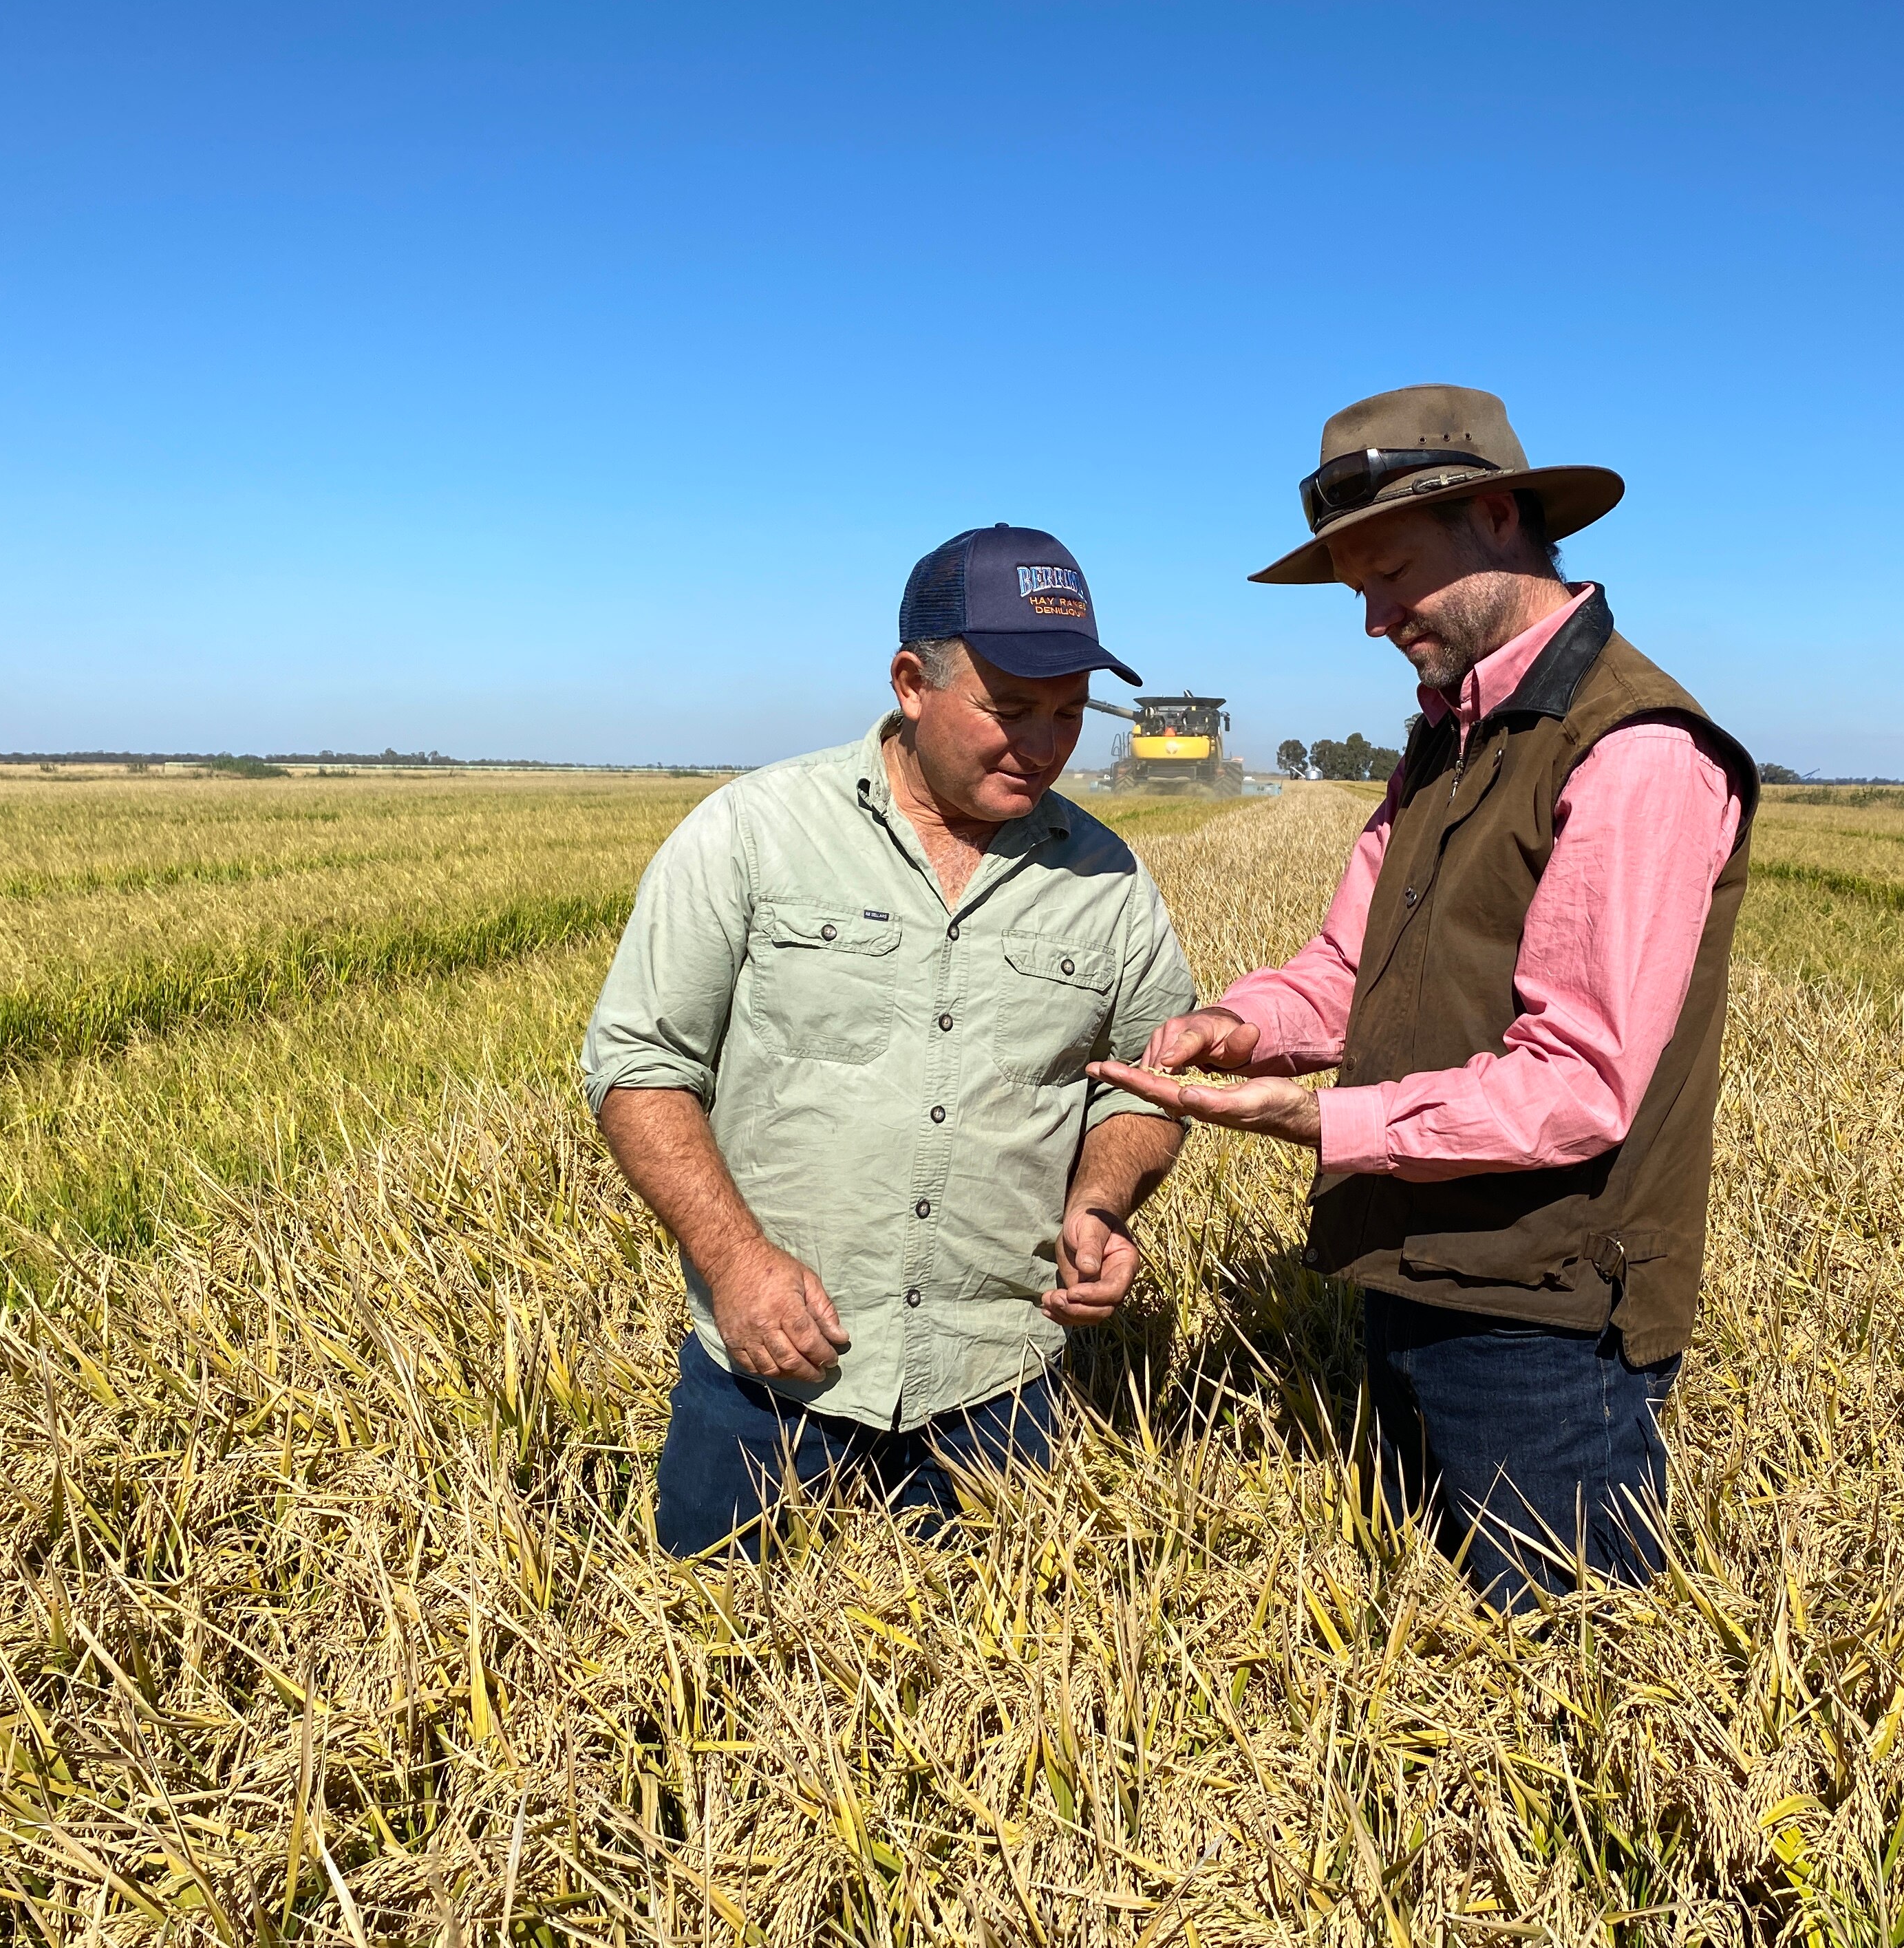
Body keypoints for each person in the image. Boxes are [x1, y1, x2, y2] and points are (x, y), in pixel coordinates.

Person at [1095, 386, 1758, 1608]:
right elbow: (1353, 971)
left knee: (1576, 1679)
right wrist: (1242, 1031)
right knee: (1431, 1647)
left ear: (1500, 519)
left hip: (1542, 1312)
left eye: (1391, 573)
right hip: (1413, 1265)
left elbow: (1579, 1085)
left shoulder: (1635, 749)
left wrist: (1320, 1122)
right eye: (1355, 587)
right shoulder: (1449, 737)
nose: (1371, 619)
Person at [586, 524, 1198, 1557]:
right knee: (713, 1660)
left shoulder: (1110, 882)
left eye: (1069, 713)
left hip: (999, 1394)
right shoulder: (753, 832)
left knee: (993, 1697)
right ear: (913, 683)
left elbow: (1146, 1083)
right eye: (1010, 709)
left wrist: (1102, 1201)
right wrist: (736, 1265)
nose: (1044, 744)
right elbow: (640, 1065)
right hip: (771, 1380)